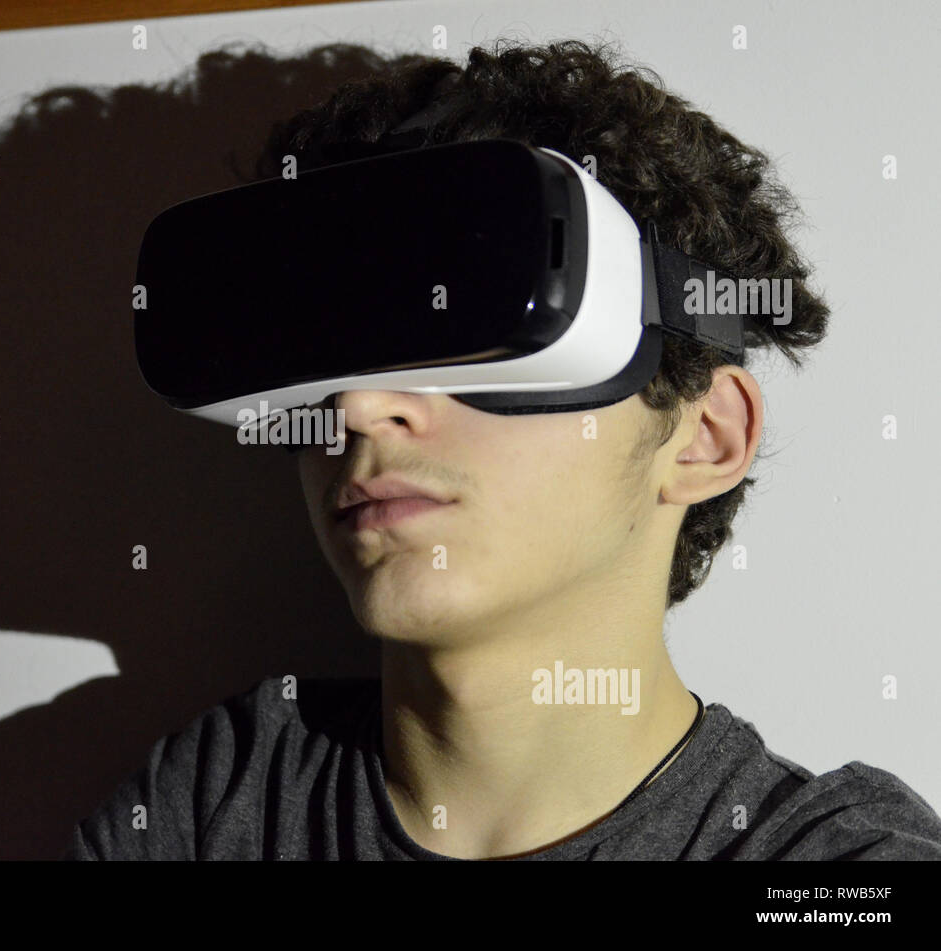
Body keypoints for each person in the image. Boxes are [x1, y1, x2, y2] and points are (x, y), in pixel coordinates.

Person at [64, 37, 941, 860]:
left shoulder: (825, 861)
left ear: (705, 439)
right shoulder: (216, 802)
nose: (361, 410)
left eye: (469, 340)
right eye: (336, 364)